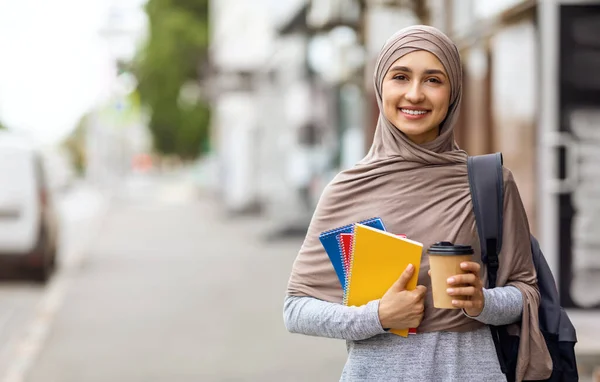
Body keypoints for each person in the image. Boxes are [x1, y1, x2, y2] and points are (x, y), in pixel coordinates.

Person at [283, 25, 552, 382]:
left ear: (453, 91)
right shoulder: (348, 188)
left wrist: (481, 303)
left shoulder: (490, 183)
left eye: (433, 80)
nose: (414, 94)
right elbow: (297, 308)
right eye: (400, 76)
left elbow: (526, 291)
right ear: (380, 87)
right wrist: (377, 316)